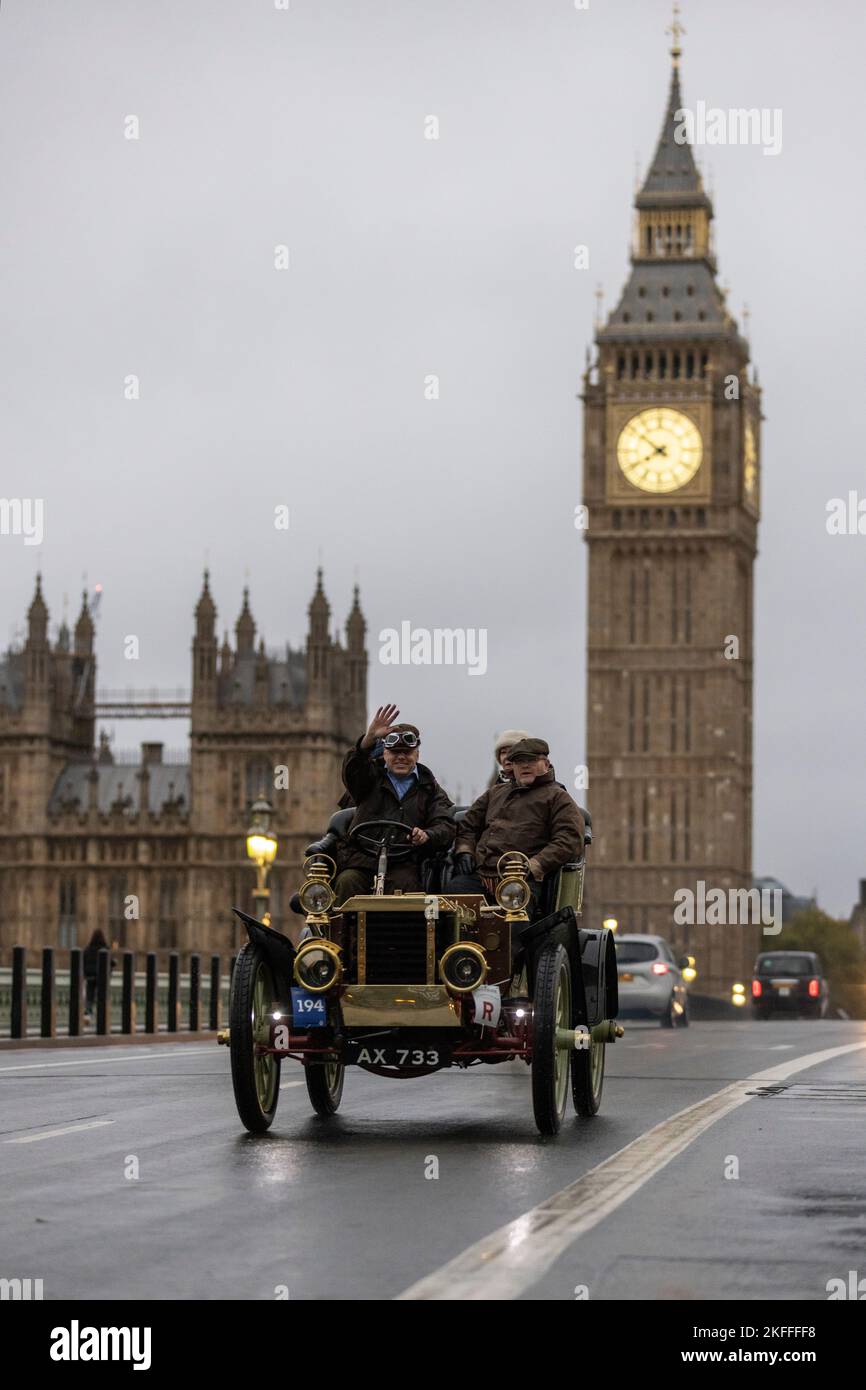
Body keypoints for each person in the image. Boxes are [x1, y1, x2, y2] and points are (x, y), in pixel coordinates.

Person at [332, 704, 455, 901]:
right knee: (347, 882)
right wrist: (367, 741)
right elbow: (352, 770)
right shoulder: (369, 779)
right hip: (362, 860)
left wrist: (427, 835)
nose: (401, 758)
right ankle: (346, 933)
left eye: (406, 752)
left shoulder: (430, 789)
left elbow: (445, 826)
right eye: (395, 752)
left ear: (417, 754)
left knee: (408, 892)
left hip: (403, 863)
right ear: (385, 754)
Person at [449, 737, 584, 916]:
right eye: (520, 761)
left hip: (522, 880)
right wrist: (465, 851)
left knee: (512, 923)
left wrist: (535, 864)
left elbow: (570, 838)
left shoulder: (558, 797)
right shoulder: (495, 793)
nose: (525, 766)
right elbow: (468, 825)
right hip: (481, 877)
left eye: (531, 760)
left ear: (546, 763)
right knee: (448, 903)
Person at [83, 928, 112, 1018]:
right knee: (101, 995)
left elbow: (83, 962)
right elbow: (110, 963)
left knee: (89, 994)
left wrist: (85, 974)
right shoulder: (105, 949)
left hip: (90, 975)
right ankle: (101, 1014)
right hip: (101, 976)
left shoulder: (88, 949)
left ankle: (88, 1012)